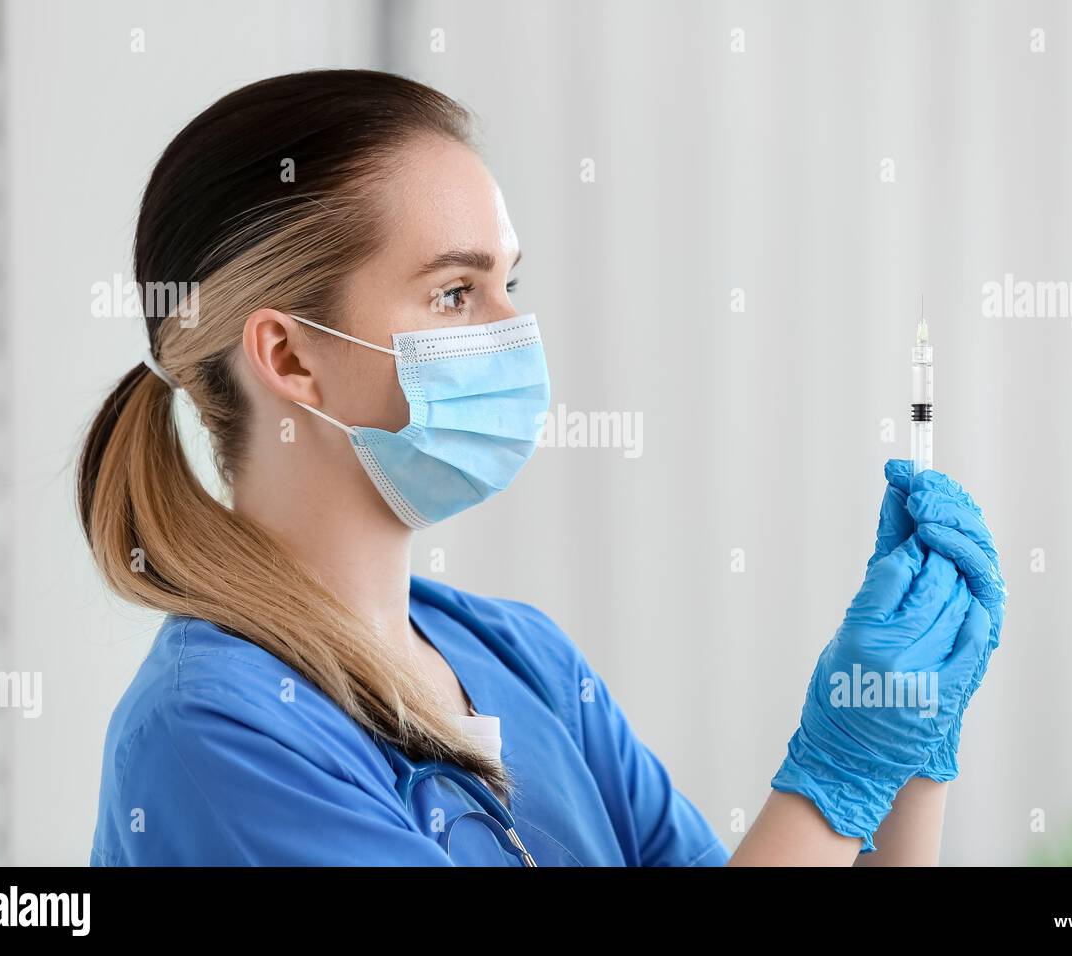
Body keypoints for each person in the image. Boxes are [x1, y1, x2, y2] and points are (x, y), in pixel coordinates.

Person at [81, 69, 1006, 866]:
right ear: (289, 359)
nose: (511, 332)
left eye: (506, 285)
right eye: (453, 291)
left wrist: (905, 758)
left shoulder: (523, 660)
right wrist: (834, 773)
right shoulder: (213, 735)